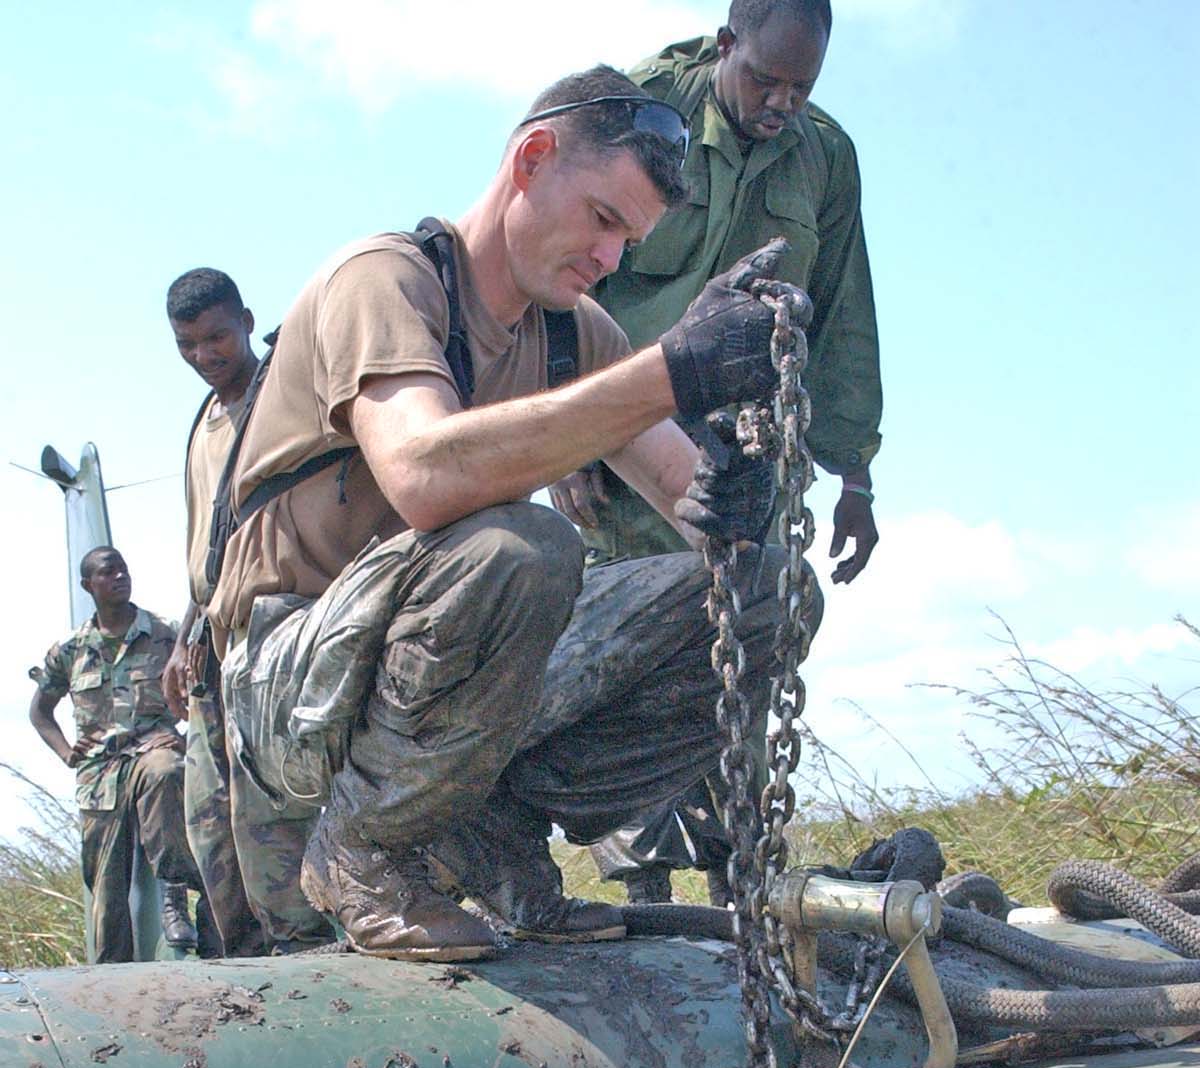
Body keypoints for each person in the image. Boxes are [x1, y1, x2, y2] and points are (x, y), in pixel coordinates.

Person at [207, 64, 823, 962]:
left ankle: (493, 829)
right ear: (531, 159)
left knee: (768, 590)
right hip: (289, 689)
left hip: (420, 683)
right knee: (523, 547)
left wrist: (736, 495)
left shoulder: (573, 329)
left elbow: (684, 496)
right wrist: (670, 370)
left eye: (629, 241)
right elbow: (422, 473)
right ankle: (365, 851)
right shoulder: (384, 280)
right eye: (603, 221)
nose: (610, 259)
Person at [552, 0, 880, 903]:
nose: (779, 102)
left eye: (800, 87)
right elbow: (555, 272)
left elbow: (846, 305)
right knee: (633, 659)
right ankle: (647, 905)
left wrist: (855, 473)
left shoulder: (825, 155)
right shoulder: (636, 111)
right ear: (725, 43)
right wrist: (566, 439)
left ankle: (747, 893)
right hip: (622, 443)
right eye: (764, 79)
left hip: (749, 456)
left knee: (746, 645)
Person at [162, 267, 267, 957]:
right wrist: (182, 635)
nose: (205, 356)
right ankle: (244, 977)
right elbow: (206, 546)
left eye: (218, 337)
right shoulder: (203, 420)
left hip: (272, 638)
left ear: (248, 322)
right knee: (212, 828)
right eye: (188, 344)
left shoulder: (282, 397)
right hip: (210, 646)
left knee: (273, 827)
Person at [29, 548, 202, 962]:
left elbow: (202, 694)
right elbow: (39, 712)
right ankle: (112, 980)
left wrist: (186, 737)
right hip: (100, 775)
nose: (120, 576)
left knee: (165, 771)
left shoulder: (165, 635)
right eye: (109, 572)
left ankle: (176, 896)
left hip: (151, 748)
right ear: (89, 585)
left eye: (123, 569)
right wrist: (68, 753)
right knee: (106, 893)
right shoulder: (70, 650)